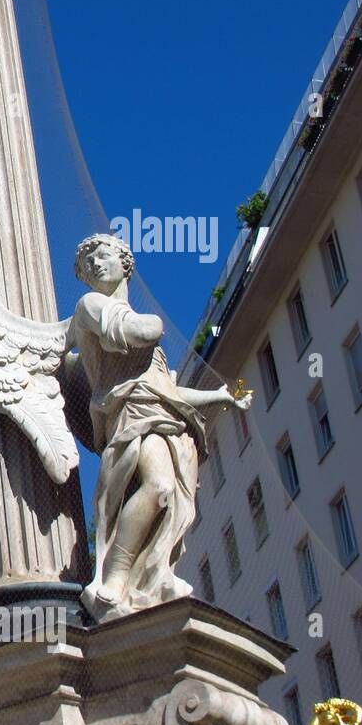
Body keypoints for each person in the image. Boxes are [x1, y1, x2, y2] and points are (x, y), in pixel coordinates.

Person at [72, 234, 251, 618]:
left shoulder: (126, 321)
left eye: (102, 256)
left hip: (163, 416)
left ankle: (151, 577)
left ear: (124, 262)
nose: (95, 266)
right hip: (131, 415)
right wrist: (151, 323)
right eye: (88, 266)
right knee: (159, 487)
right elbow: (141, 332)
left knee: (168, 499)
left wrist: (219, 395)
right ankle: (114, 579)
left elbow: (167, 391)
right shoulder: (90, 307)